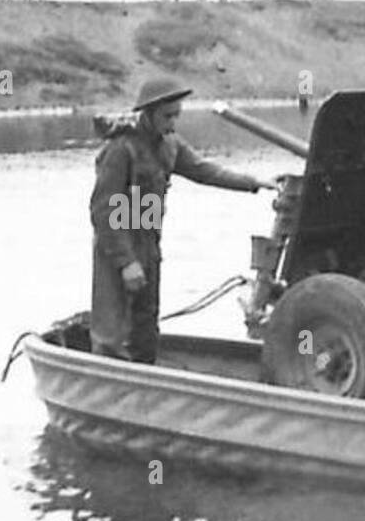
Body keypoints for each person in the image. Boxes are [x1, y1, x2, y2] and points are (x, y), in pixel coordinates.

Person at [89, 78, 275, 363]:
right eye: (167, 116)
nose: (173, 123)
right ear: (148, 114)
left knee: (146, 327)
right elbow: (104, 212)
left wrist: (252, 182)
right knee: (111, 331)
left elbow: (204, 171)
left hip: (149, 243)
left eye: (177, 115)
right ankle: (108, 382)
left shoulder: (169, 146)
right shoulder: (121, 149)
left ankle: (145, 381)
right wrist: (126, 262)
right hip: (119, 246)